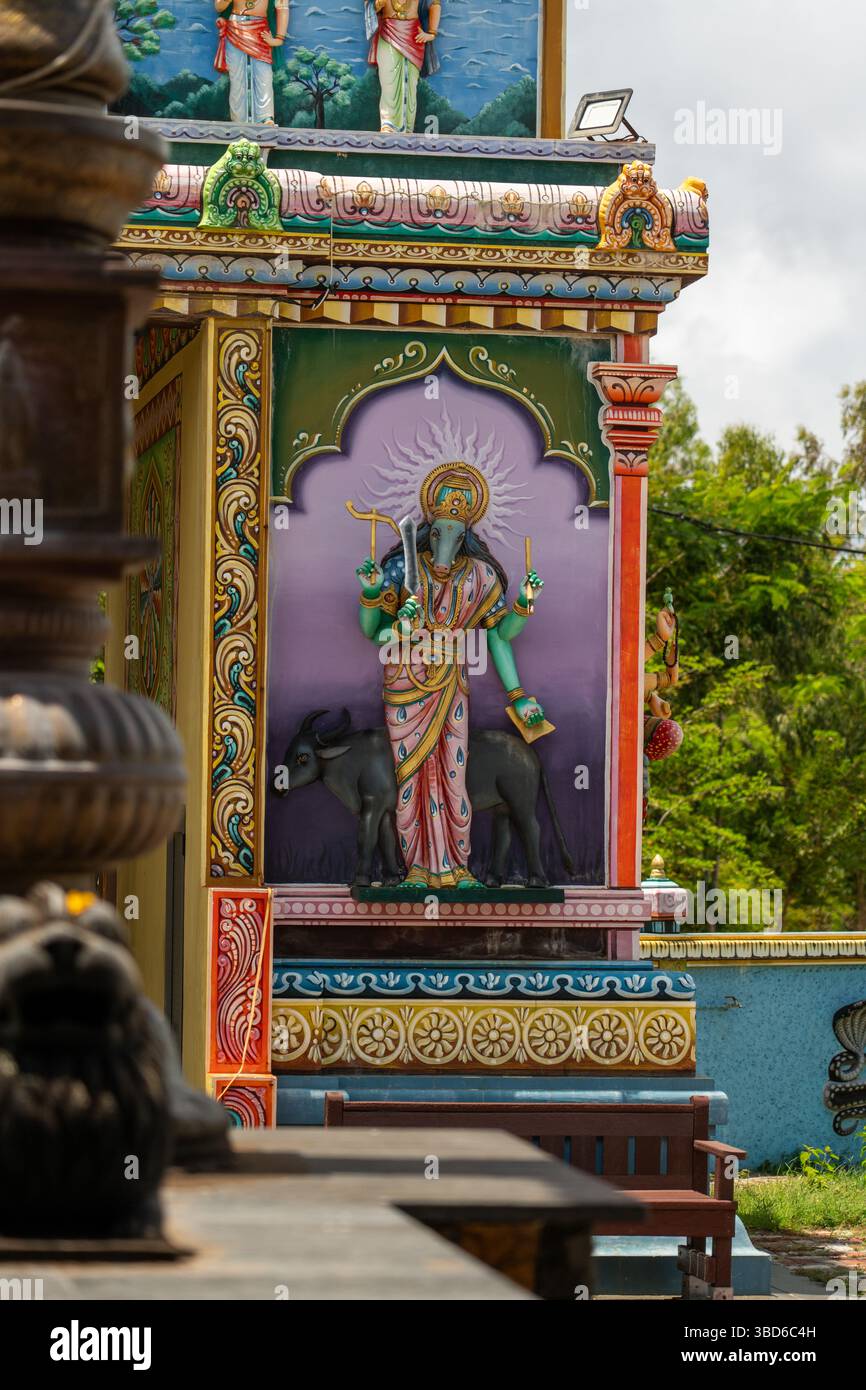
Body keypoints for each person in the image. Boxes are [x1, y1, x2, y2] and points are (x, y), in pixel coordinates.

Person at [355, 463, 546, 889]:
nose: (446, 545)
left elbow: (499, 637)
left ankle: (456, 867)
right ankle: (418, 869)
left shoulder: (478, 577)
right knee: (412, 775)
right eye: (439, 532)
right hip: (405, 687)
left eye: (455, 535)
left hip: (451, 687)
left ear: (466, 536)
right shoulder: (403, 569)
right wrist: (373, 595)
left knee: (452, 773)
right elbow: (375, 633)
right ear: (428, 528)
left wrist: (524, 604)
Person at [365, 0, 441, 134]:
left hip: (413, 37)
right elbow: (371, 6)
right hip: (388, 34)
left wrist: (431, 33)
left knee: (410, 84)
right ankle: (388, 126)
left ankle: (408, 128)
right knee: (389, 82)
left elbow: (434, 3)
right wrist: (378, 4)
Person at [214, 0, 289, 126]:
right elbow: (219, 7)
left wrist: (279, 38)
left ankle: (265, 118)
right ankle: (238, 120)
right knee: (237, 78)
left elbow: (282, 9)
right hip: (235, 29)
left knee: (264, 76)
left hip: (261, 32)